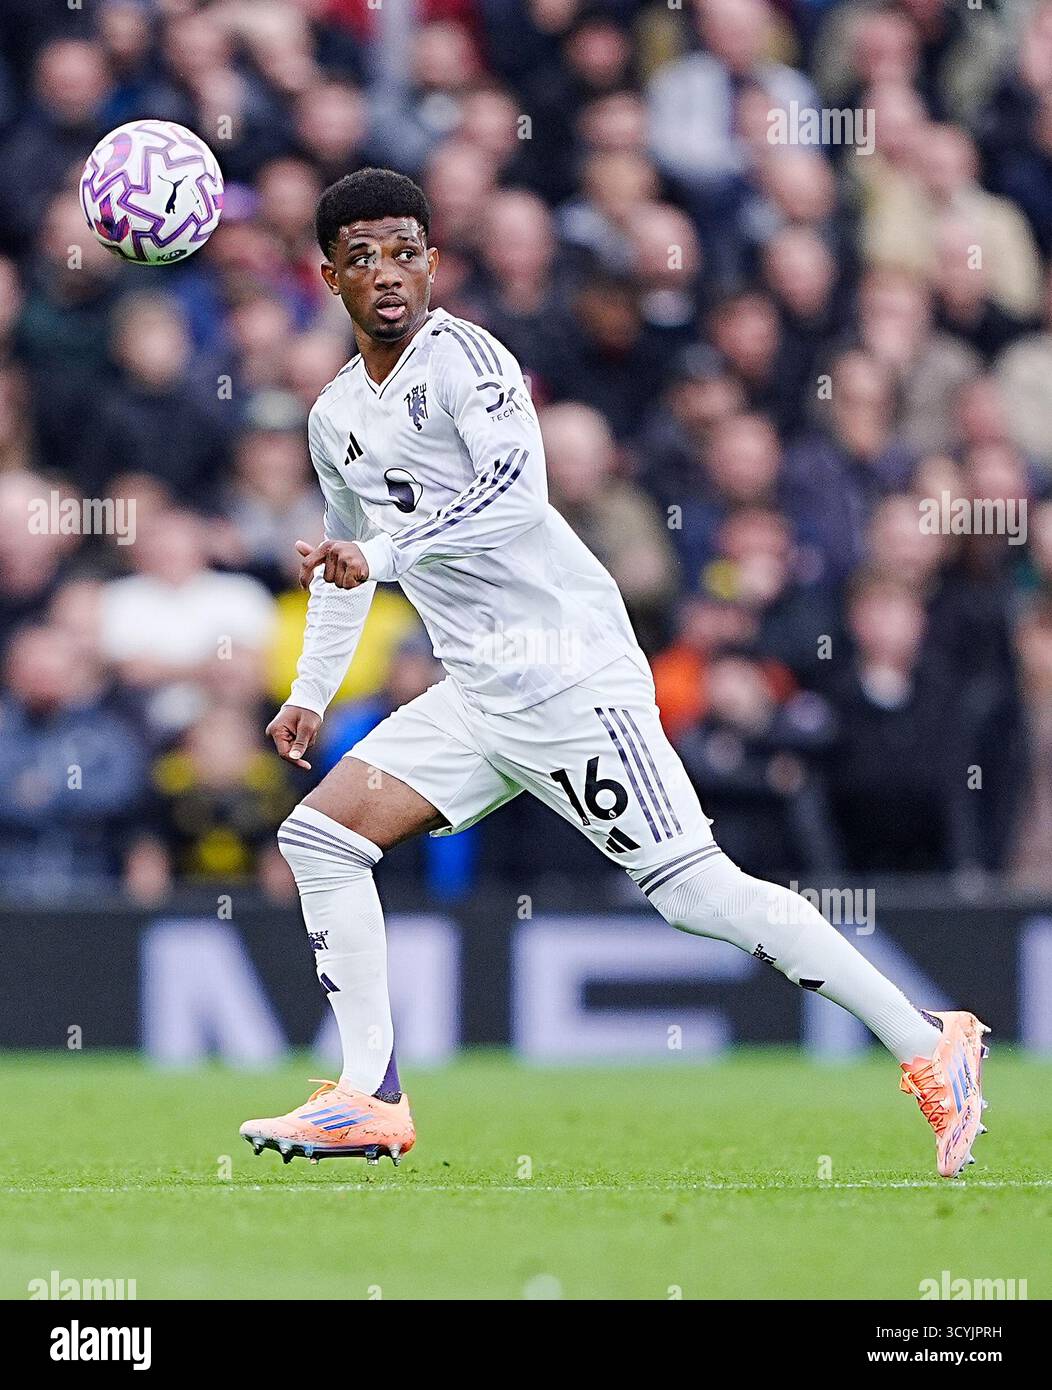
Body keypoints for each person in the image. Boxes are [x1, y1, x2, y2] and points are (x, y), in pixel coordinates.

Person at [240, 168, 989, 1179]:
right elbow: (341, 557)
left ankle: (928, 1041)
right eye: (362, 254)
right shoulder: (334, 415)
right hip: (478, 694)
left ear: (433, 262)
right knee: (321, 834)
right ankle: (368, 1093)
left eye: (405, 248)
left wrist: (384, 556)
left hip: (569, 677)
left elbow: (514, 495)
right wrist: (310, 688)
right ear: (326, 274)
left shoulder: (469, 363)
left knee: (698, 894)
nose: (387, 271)